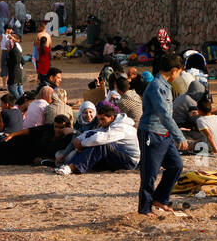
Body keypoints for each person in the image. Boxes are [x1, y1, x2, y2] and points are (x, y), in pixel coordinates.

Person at [137, 53, 190, 216]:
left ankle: (160, 199)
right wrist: (179, 136)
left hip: (164, 134)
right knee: (150, 174)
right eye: (180, 72)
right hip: (151, 133)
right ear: (174, 70)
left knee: (176, 166)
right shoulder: (156, 86)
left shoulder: (165, 85)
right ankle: (145, 209)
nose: (180, 76)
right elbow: (164, 114)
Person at [54, 102, 140, 174]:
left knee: (101, 144)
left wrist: (81, 144)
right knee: (92, 137)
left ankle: (71, 167)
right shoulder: (110, 123)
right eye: (99, 119)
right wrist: (79, 138)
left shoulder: (121, 126)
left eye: (103, 119)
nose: (100, 122)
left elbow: (99, 139)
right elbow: (93, 132)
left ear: (112, 118)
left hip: (129, 161)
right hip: (116, 155)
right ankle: (69, 164)